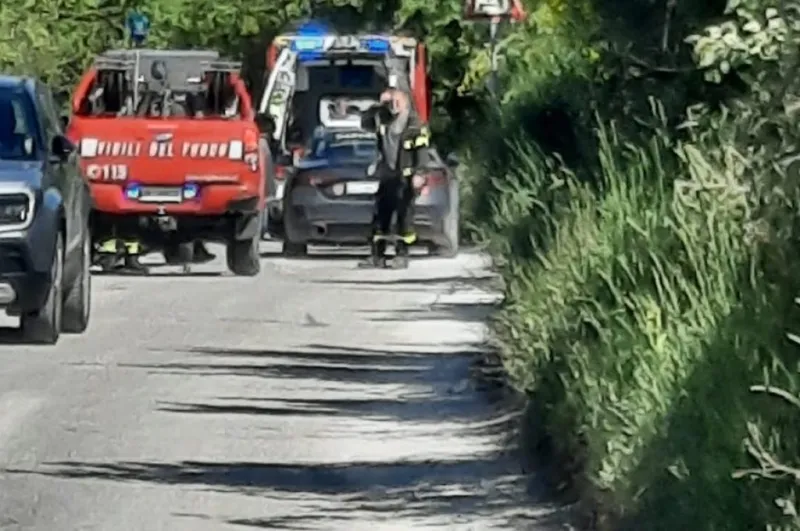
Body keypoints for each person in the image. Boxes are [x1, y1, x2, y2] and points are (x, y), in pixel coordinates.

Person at [359, 88, 430, 269]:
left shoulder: (414, 125)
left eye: (397, 102)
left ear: (405, 103)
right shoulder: (383, 119)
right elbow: (365, 124)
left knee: (404, 217)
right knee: (381, 216)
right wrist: (377, 106)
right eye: (391, 103)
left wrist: (420, 173)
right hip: (387, 176)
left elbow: (421, 153)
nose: (393, 106)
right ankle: (377, 255)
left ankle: (402, 254)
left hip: (405, 178)